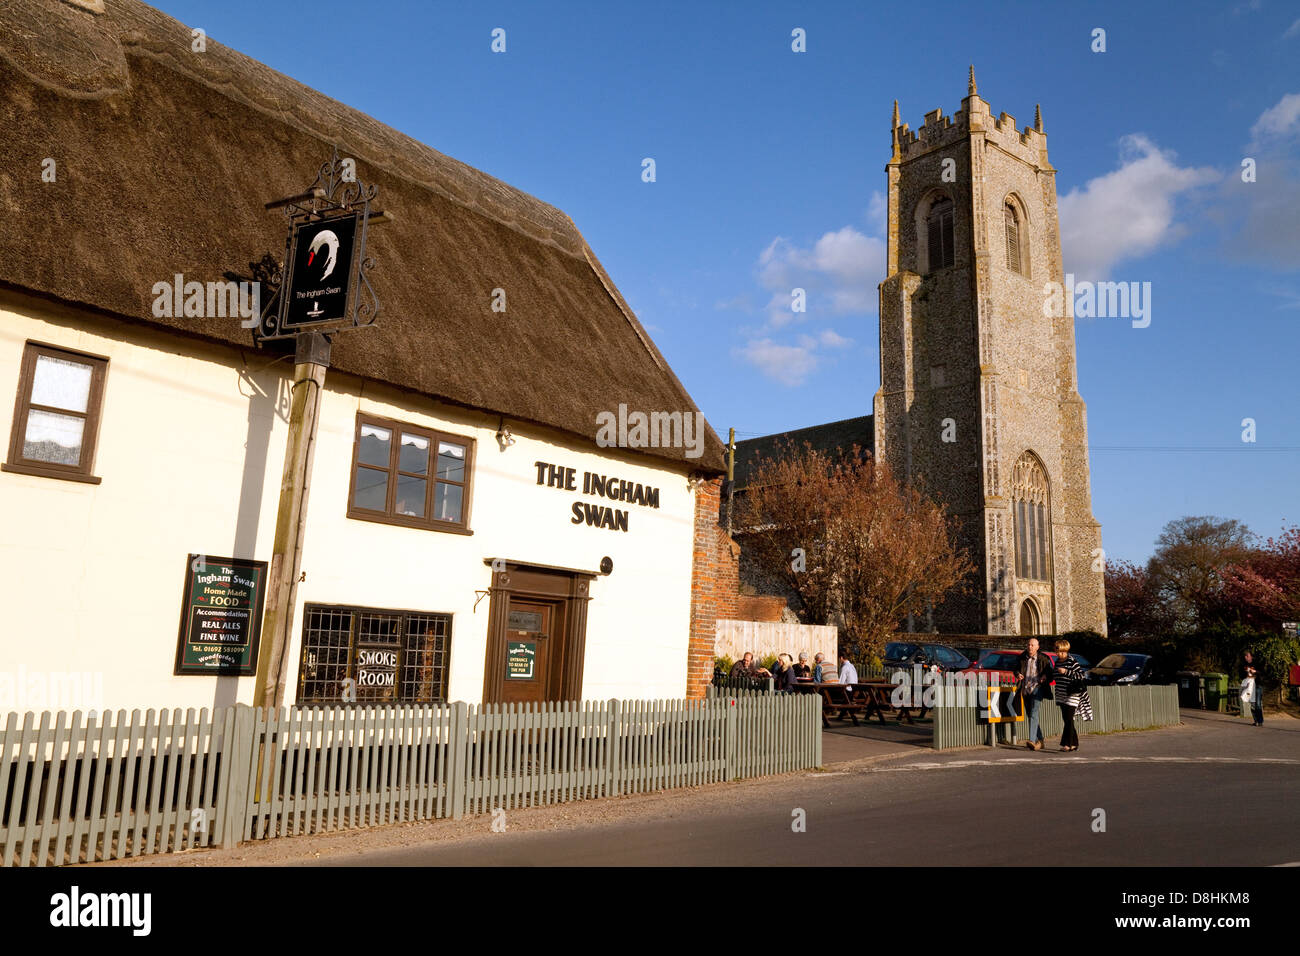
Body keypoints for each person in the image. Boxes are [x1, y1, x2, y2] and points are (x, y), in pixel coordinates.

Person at [1015, 637, 1055, 751]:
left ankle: (1032, 740)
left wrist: (1045, 677)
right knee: (1031, 715)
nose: (1030, 647)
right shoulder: (1022, 657)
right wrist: (1017, 674)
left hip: (1038, 688)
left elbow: (1050, 673)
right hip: (1025, 689)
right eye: (1028, 645)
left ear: (1038, 647)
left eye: (1032, 645)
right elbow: (1015, 669)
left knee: (1034, 712)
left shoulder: (1044, 658)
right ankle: (1041, 740)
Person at [1052, 639, 1092, 751]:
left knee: (1069, 719)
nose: (1057, 653)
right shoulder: (1058, 662)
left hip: (1072, 694)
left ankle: (1067, 744)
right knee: (1067, 720)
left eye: (1058, 650)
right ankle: (1074, 743)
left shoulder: (1072, 661)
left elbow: (1081, 676)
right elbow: (1055, 676)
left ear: (1064, 650)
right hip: (1061, 693)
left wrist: (1066, 672)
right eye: (1056, 650)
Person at [1242, 650, 1264, 726]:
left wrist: (1255, 671)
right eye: (1245, 656)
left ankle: (1260, 721)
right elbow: (1242, 676)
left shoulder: (1257, 663)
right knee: (1252, 704)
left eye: (1247, 656)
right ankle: (1256, 721)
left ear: (1251, 656)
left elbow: (1262, 673)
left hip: (1257, 685)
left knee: (1257, 704)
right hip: (1249, 687)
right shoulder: (1244, 665)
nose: (1246, 657)